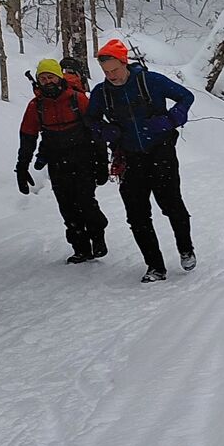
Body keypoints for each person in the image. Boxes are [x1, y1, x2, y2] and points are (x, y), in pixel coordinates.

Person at [89, 38, 197, 284]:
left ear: (124, 62)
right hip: (128, 158)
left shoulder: (151, 81)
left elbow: (186, 97)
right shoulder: (101, 93)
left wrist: (170, 120)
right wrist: (106, 132)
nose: (111, 76)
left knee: (171, 206)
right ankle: (155, 267)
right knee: (137, 216)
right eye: (106, 72)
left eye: (115, 70)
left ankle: (186, 248)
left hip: (161, 152)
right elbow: (91, 121)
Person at [16, 57, 110, 264]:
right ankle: (81, 248)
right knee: (67, 206)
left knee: (86, 202)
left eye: (51, 77)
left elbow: (97, 131)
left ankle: (97, 236)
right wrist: (21, 167)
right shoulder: (36, 106)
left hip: (84, 158)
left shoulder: (78, 99)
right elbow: (28, 136)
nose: (47, 81)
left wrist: (103, 163)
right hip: (57, 162)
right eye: (43, 78)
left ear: (59, 78)